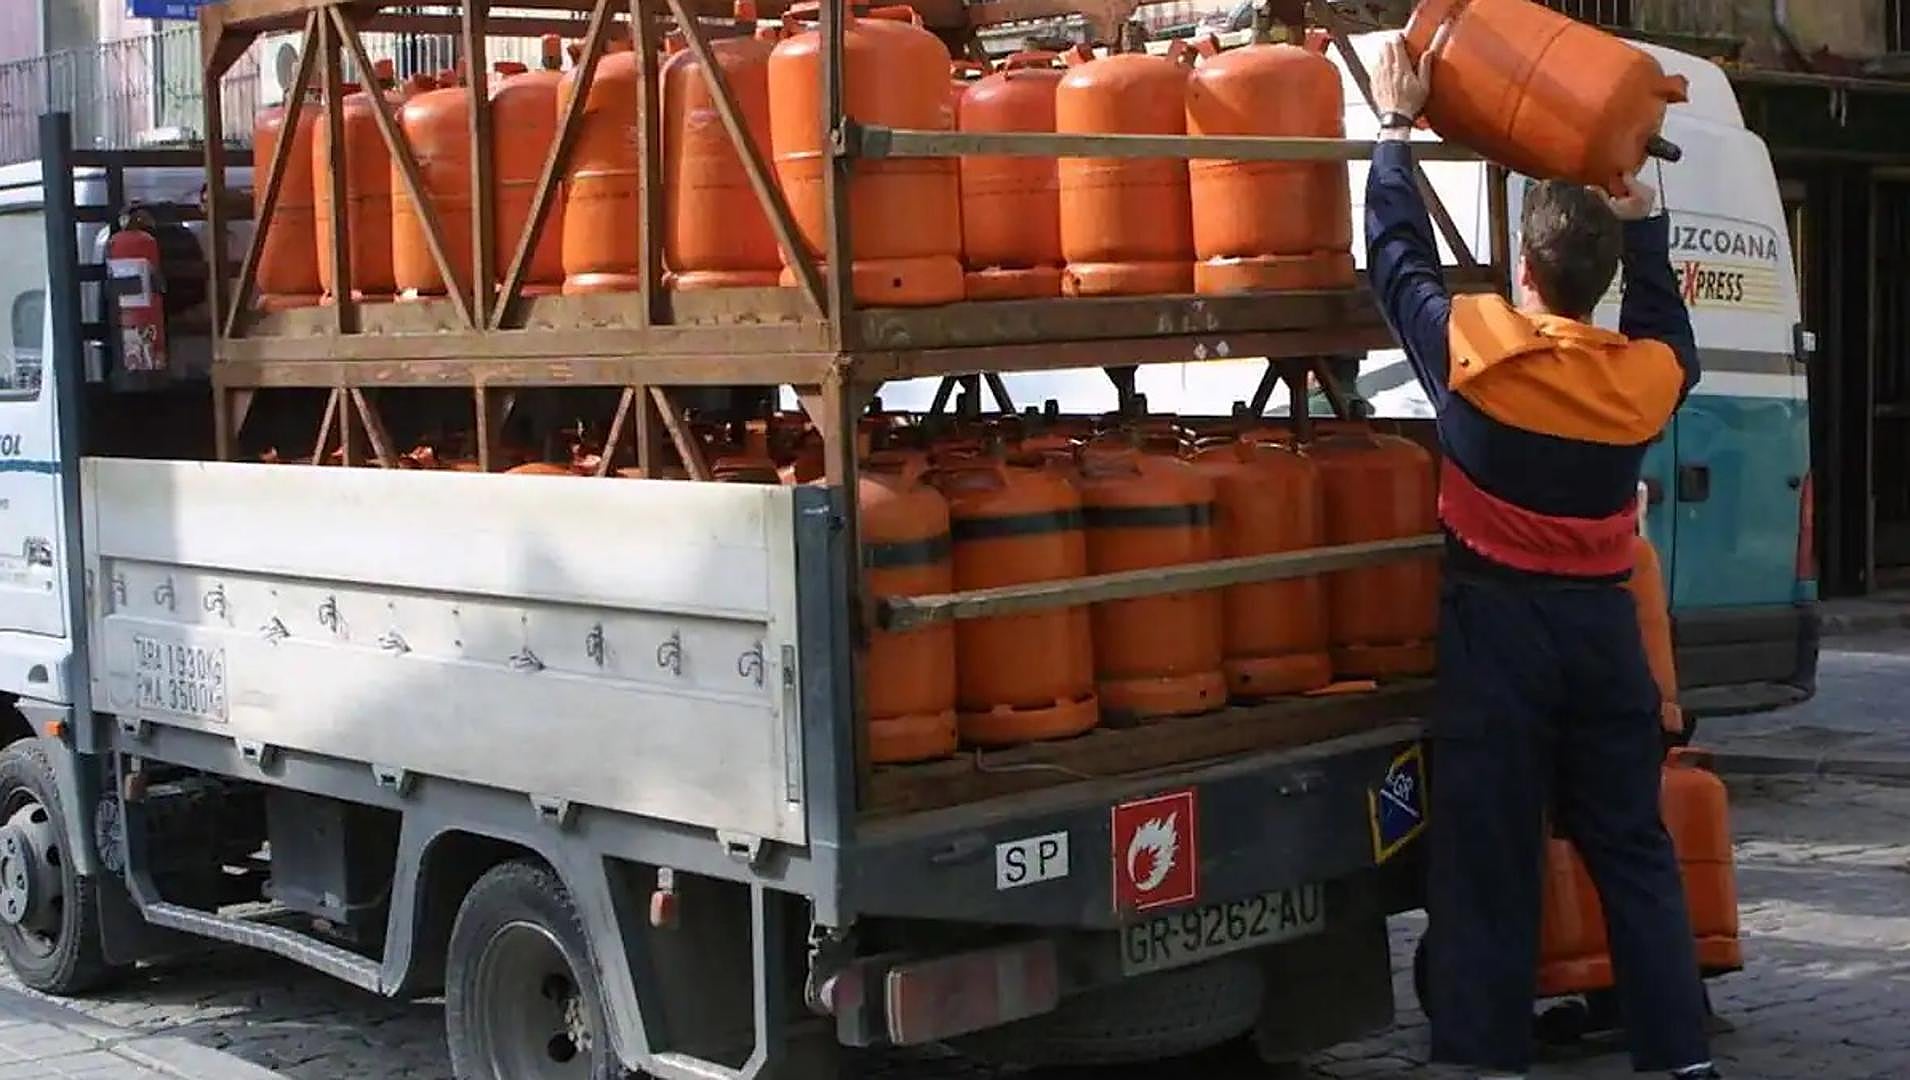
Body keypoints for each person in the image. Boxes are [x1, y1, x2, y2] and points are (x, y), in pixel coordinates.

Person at [1365, 35, 1720, 1080]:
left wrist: (1394, 125)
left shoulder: (1477, 358)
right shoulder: (1641, 383)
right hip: (1603, 636)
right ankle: (1675, 1059)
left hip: (1498, 633)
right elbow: (1668, 332)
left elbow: (1394, 261)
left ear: (1522, 272)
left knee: (1488, 857)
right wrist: (1643, 222)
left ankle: (1483, 1058)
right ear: (1599, 280)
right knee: (1631, 850)